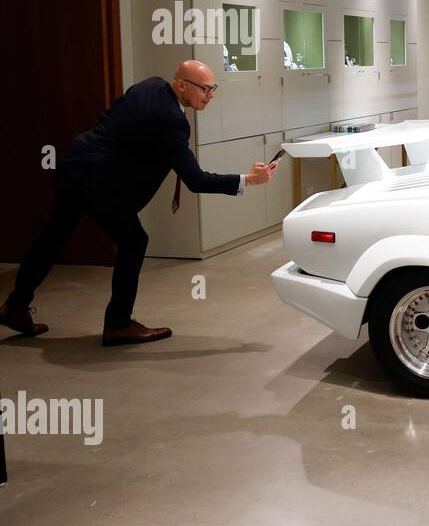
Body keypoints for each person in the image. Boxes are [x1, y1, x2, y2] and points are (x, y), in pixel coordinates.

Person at [0, 61, 278, 345]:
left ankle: (16, 307)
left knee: (53, 236)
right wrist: (249, 180)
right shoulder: (173, 122)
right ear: (182, 85)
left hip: (75, 163)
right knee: (134, 241)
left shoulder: (151, 86)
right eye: (205, 89)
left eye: (213, 88)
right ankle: (119, 325)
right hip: (100, 181)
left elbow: (111, 121)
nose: (211, 95)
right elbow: (196, 180)